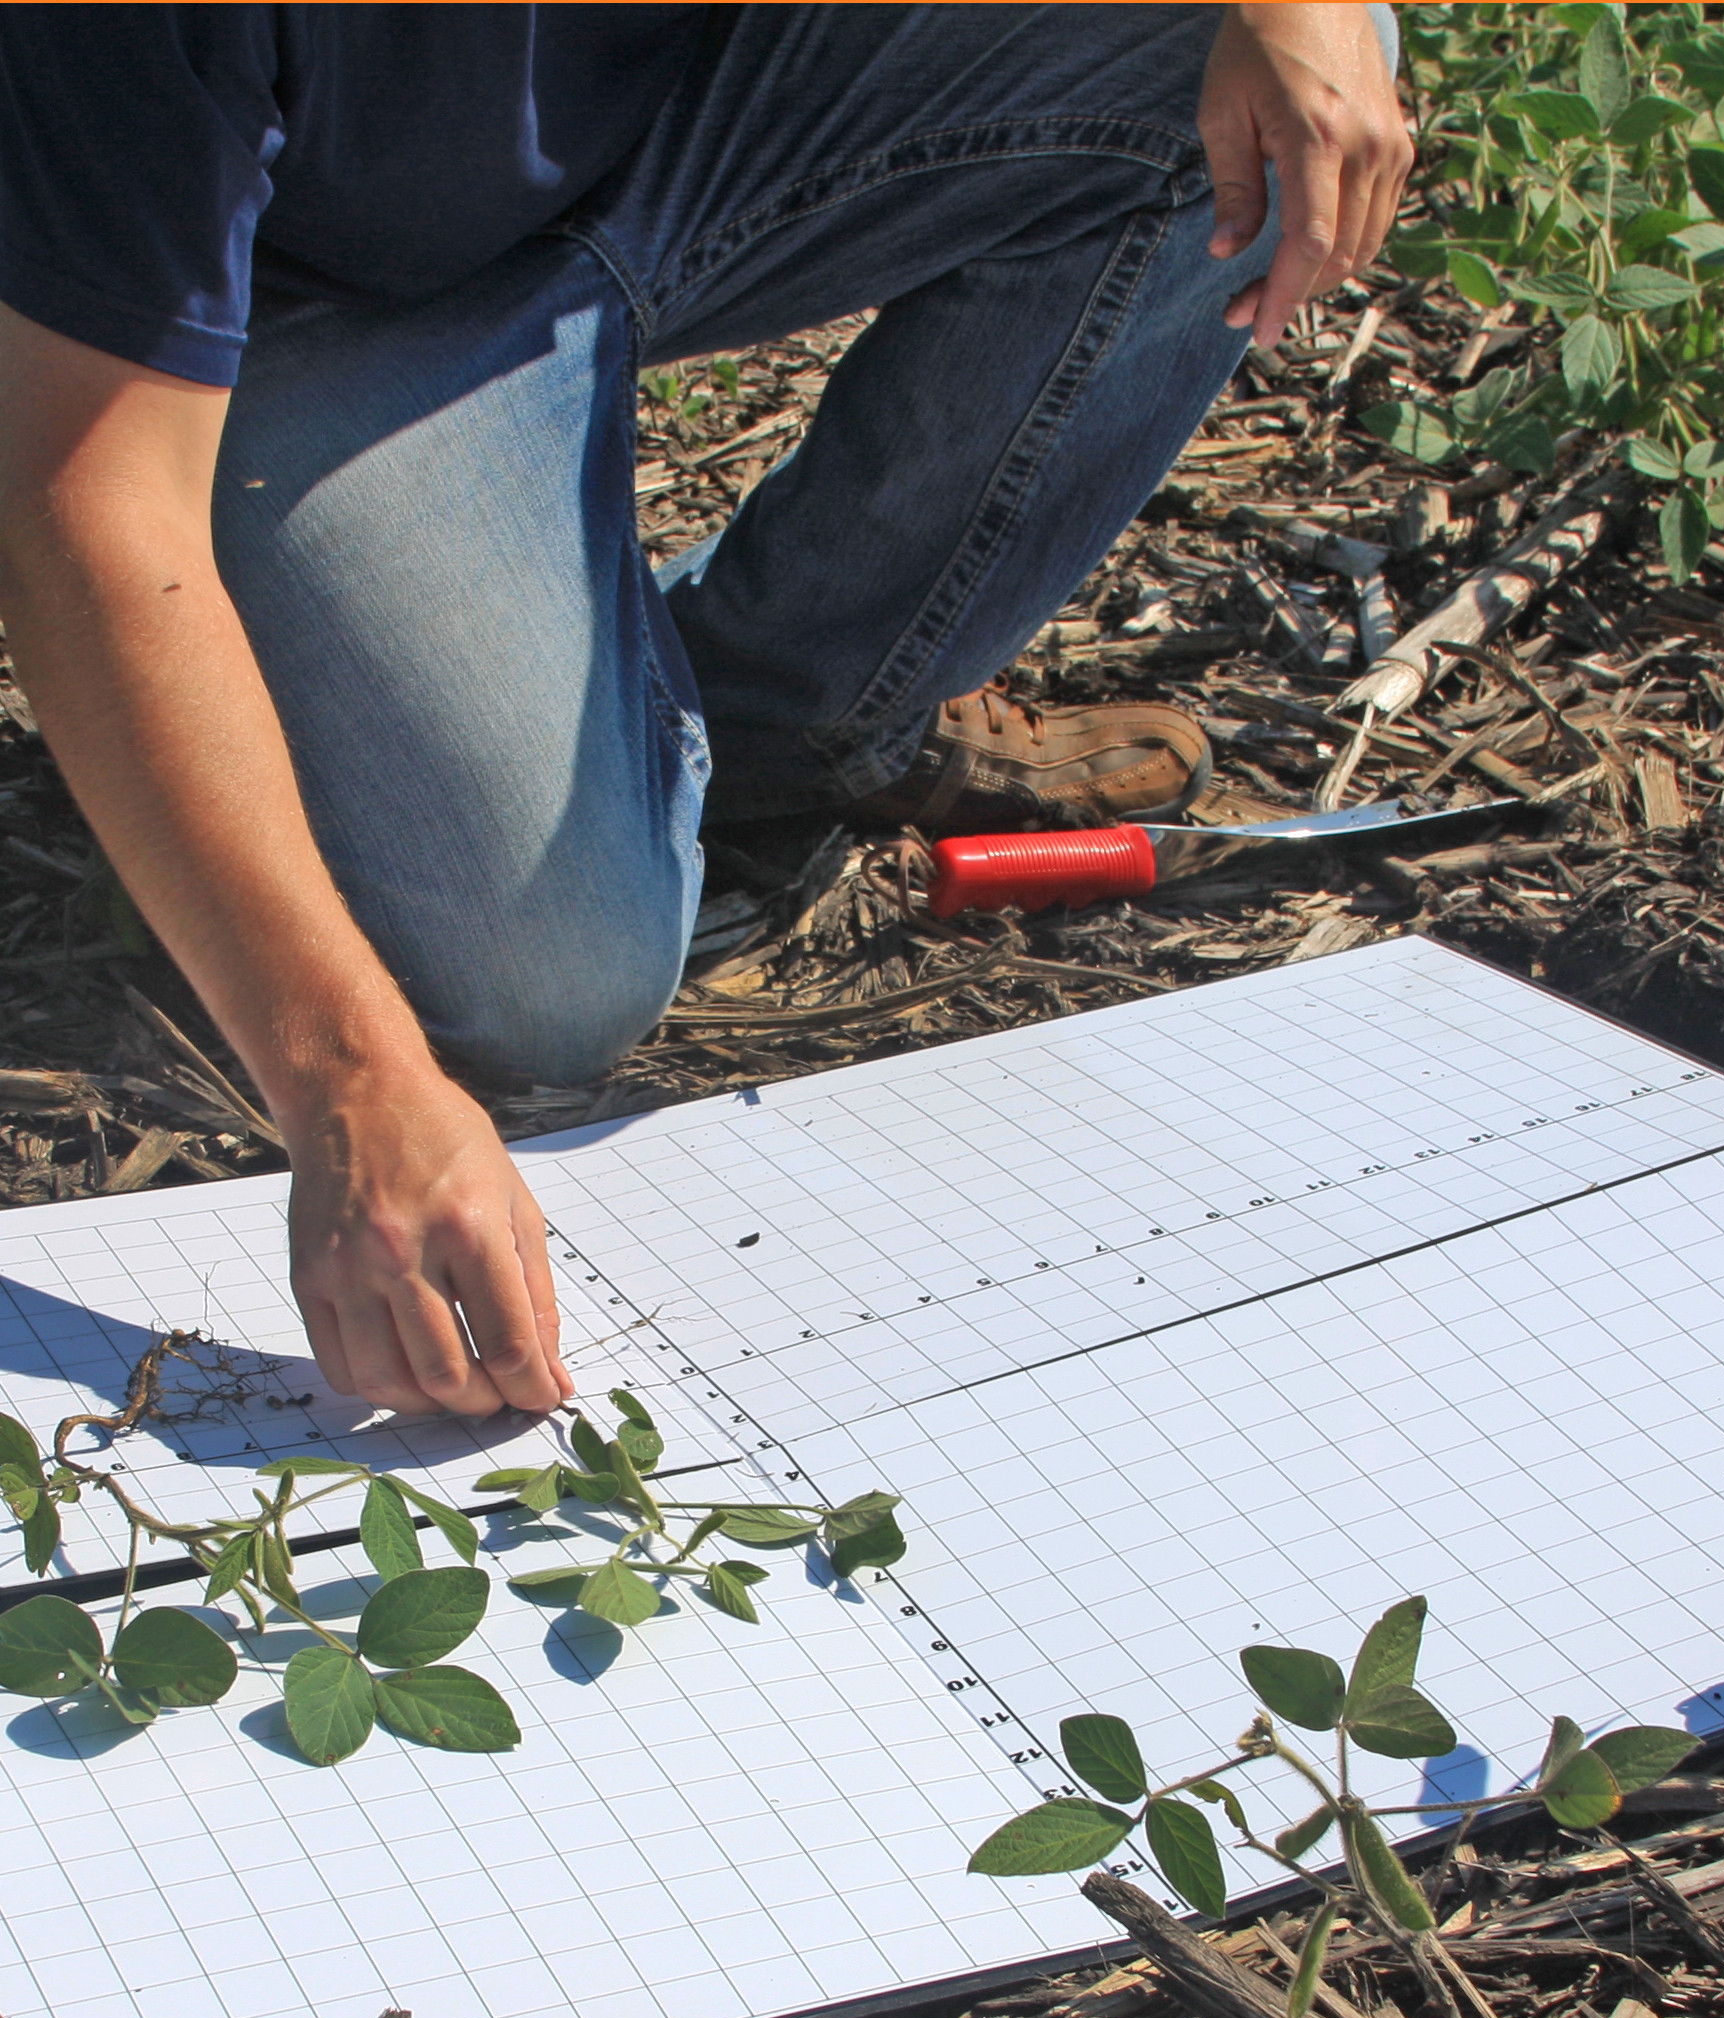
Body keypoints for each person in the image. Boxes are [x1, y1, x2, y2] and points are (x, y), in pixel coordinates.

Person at [0, 5, 1409, 1424]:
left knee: (1255, 87)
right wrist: (344, 1075)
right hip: (310, 287)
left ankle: (781, 720)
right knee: (557, 979)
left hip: (690, 113)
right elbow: (82, 503)